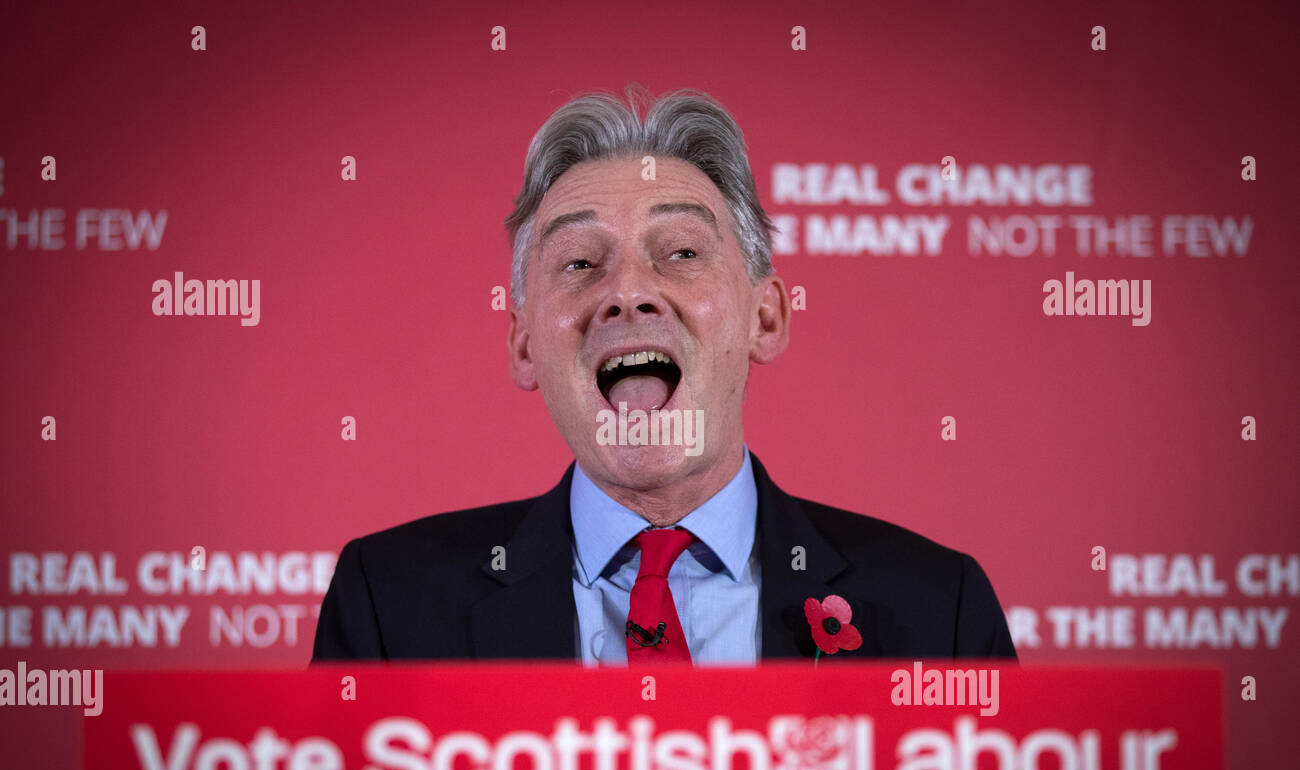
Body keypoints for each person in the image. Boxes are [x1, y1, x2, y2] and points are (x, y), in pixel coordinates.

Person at [312, 86, 1017, 665]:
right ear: (524, 346)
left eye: (680, 251)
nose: (628, 291)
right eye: (580, 262)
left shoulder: (940, 611)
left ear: (764, 320)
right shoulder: (389, 606)